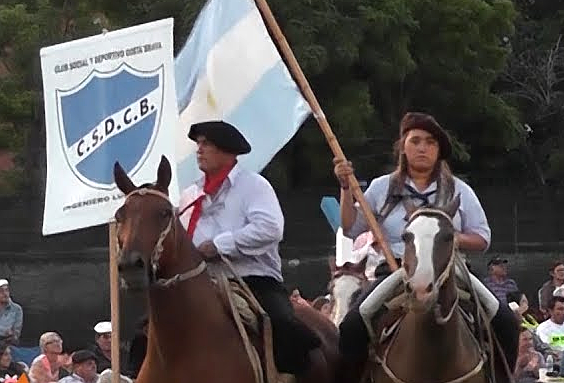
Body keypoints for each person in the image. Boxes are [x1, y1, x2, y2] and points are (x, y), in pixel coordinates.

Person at [334, 112, 518, 379]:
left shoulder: (459, 190)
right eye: (415, 141)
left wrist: (453, 238)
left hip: (450, 271)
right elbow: (351, 228)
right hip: (398, 270)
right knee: (352, 324)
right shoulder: (381, 187)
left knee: (504, 321)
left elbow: (482, 237)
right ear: (403, 147)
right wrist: (345, 188)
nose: (422, 148)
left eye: (430, 142)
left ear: (439, 150)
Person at [177, 120, 320, 376]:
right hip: (200, 281)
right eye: (198, 144)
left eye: (206, 144)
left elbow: (270, 229)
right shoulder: (189, 195)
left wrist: (219, 245)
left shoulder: (254, 186)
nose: (199, 150)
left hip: (253, 279)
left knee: (282, 323)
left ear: (227, 150)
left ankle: (296, 375)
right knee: (153, 326)